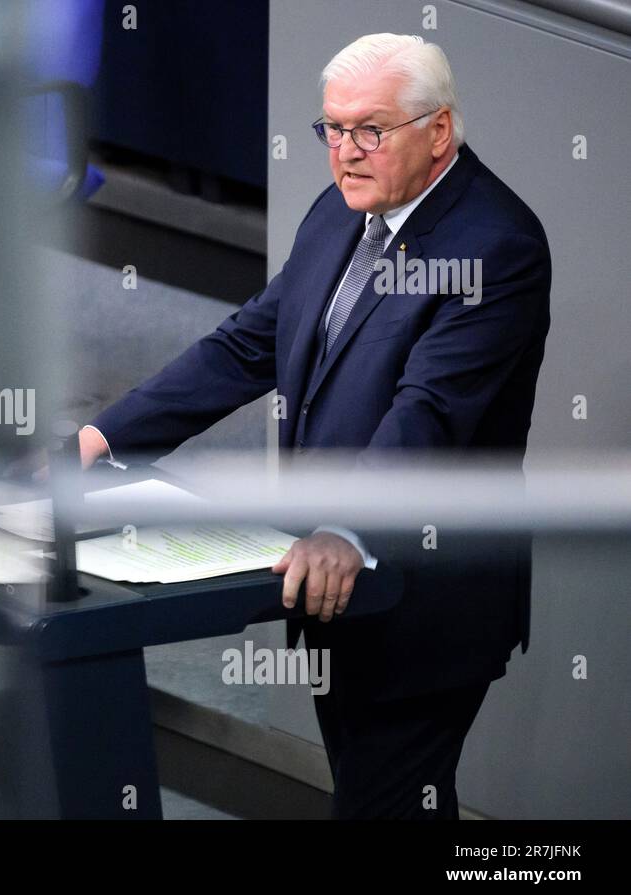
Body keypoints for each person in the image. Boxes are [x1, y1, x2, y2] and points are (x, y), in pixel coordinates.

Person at [78, 33, 550, 818]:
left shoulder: (495, 249)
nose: (345, 152)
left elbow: (427, 416)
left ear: (438, 133)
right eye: (332, 128)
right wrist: (101, 440)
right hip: (334, 592)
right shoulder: (342, 208)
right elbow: (248, 343)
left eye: (370, 129)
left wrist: (344, 526)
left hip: (419, 602)